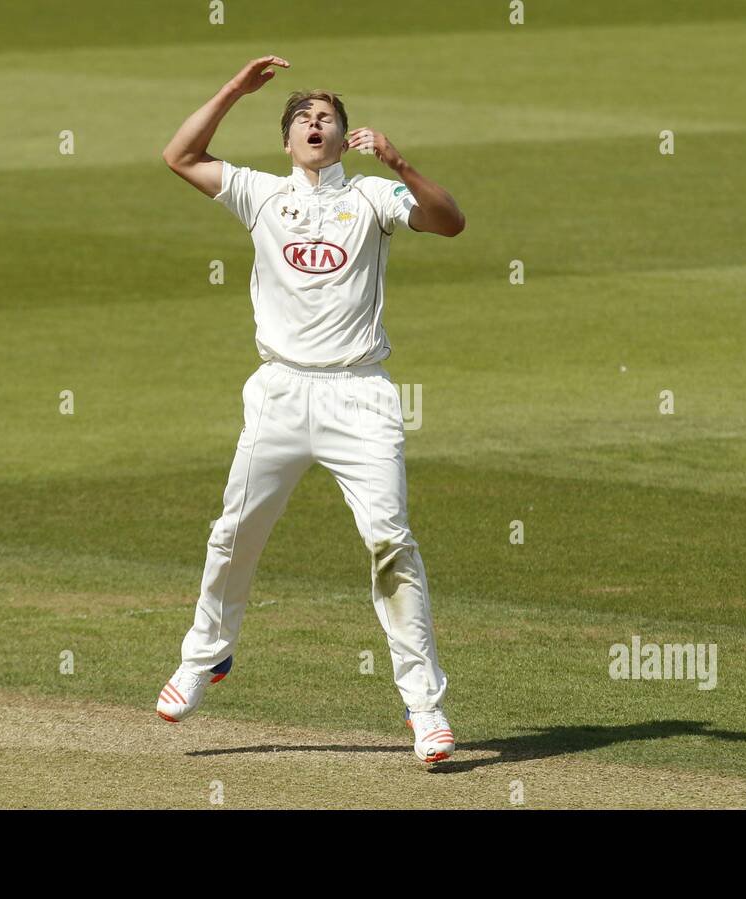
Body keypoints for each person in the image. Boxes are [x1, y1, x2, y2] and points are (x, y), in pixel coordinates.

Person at [156, 56, 466, 764]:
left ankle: (426, 709)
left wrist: (400, 162)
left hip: (361, 394)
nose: (315, 123)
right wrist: (236, 89)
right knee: (235, 530)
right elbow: (178, 156)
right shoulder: (259, 193)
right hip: (281, 390)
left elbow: (450, 222)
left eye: (327, 116)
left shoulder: (376, 199)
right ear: (288, 140)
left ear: (348, 136)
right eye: (302, 118)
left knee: (392, 543)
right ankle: (203, 658)